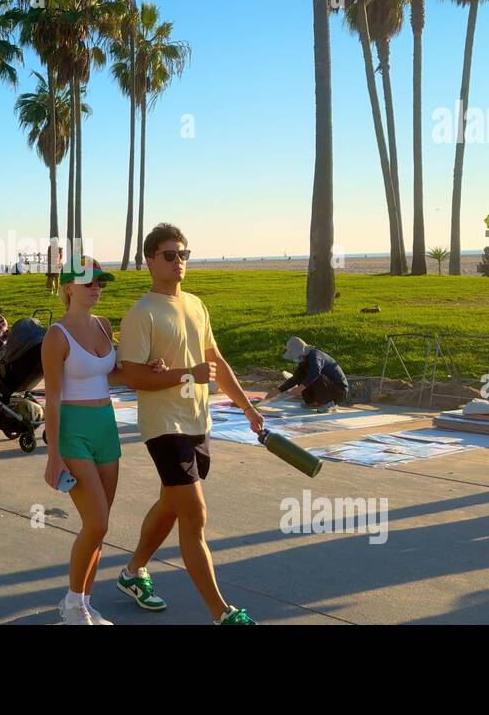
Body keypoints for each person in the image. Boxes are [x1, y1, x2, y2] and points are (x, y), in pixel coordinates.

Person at [115, 223, 265, 625]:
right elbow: (132, 377)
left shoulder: (196, 305)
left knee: (171, 503)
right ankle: (223, 613)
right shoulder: (141, 312)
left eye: (183, 254)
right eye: (169, 255)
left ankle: (132, 572)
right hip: (164, 426)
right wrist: (186, 374)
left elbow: (215, 363)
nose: (179, 261)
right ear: (150, 261)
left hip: (199, 421)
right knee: (194, 514)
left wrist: (247, 407)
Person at [41, 258, 157, 624]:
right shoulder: (57, 335)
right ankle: (73, 606)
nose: (96, 287)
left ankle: (83, 604)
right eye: (88, 281)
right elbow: (53, 397)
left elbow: (116, 375)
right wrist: (53, 455)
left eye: (100, 282)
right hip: (73, 430)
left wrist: (145, 370)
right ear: (69, 288)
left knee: (100, 525)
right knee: (97, 523)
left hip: (107, 427)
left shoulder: (105, 326)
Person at [274, 337, 350, 411]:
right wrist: (276, 392)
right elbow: (295, 379)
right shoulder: (304, 362)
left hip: (338, 391)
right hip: (328, 387)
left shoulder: (316, 355)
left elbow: (315, 373)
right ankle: (314, 402)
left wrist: (299, 389)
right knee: (301, 377)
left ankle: (330, 402)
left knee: (314, 376)